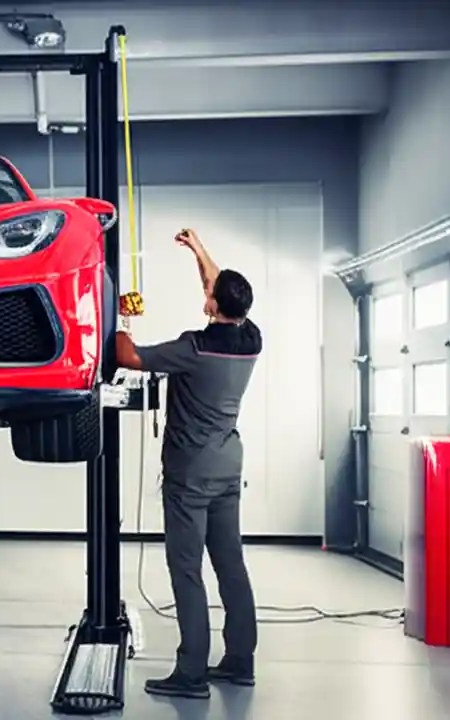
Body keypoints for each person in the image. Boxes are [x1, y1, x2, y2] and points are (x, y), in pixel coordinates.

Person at [114, 229, 260, 700]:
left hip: (190, 473)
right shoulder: (251, 337)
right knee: (230, 563)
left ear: (213, 305)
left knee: (187, 568)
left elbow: (128, 356)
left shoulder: (193, 348)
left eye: (209, 292)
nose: (206, 290)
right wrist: (199, 252)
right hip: (227, 468)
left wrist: (121, 319)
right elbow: (219, 285)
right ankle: (239, 660)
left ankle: (191, 672)